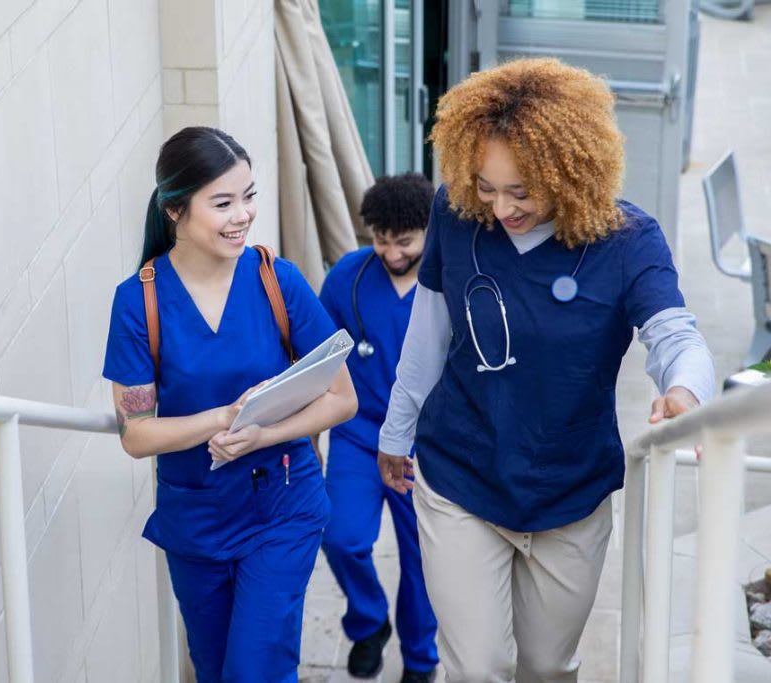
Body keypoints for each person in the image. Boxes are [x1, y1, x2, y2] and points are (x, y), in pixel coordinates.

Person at [377, 58, 714, 683]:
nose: (500, 208)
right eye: (485, 185)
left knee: (546, 670)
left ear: (570, 169)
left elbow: (674, 334)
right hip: (461, 477)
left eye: (521, 191)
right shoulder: (455, 211)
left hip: (568, 492)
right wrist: (397, 431)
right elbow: (426, 337)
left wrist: (685, 391)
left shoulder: (628, 241)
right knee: (478, 670)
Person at [102, 126, 358, 683]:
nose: (243, 215)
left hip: (282, 508)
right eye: (223, 203)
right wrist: (221, 418)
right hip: (196, 521)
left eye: (249, 196)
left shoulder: (277, 280)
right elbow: (136, 435)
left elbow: (342, 399)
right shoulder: (138, 301)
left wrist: (263, 433)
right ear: (174, 210)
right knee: (217, 671)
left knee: (254, 671)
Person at [318, 174, 440, 682]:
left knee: (424, 564)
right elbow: (318, 363)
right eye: (381, 240)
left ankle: (420, 658)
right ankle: (369, 622)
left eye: (404, 241)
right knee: (339, 534)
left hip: (424, 447)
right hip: (357, 433)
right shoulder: (347, 278)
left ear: (429, 233)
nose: (390, 253)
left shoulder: (450, 281)